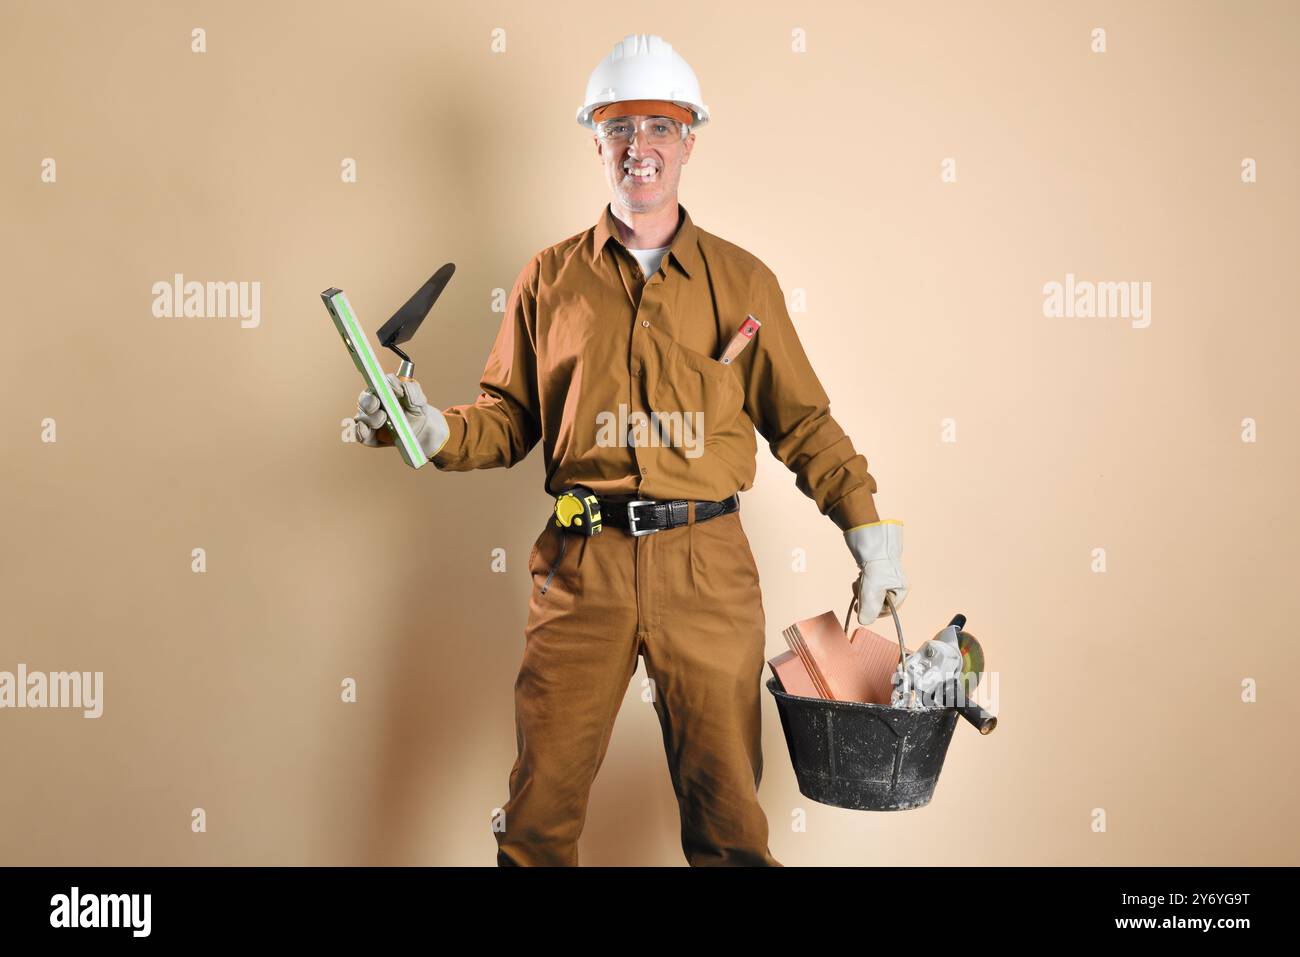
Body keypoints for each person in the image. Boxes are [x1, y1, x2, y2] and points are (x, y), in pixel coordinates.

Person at [350, 33, 908, 866]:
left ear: (689, 140)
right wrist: (431, 431)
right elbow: (505, 418)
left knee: (730, 828)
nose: (638, 147)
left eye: (659, 126)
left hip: (707, 570)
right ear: (596, 142)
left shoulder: (744, 283)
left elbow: (805, 424)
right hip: (581, 570)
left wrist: (870, 534)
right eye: (619, 127)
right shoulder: (548, 280)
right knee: (536, 821)